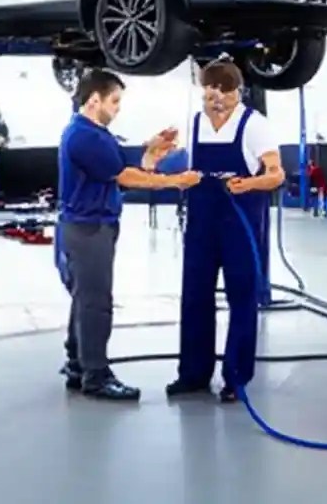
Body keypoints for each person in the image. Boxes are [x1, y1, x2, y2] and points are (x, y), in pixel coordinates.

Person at [57, 69, 202, 401]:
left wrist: (152, 150)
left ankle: (77, 363)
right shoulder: (85, 137)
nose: (118, 108)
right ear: (94, 100)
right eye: (114, 101)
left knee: (85, 297)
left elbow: (121, 161)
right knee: (96, 303)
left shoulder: (93, 133)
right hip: (89, 228)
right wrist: (176, 181)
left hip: (90, 224)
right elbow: (125, 176)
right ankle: (96, 375)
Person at [157, 60, 285, 402]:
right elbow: (184, 163)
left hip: (240, 221)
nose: (216, 102)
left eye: (223, 94)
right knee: (195, 294)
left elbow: (276, 174)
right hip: (202, 221)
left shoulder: (254, 125)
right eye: (210, 94)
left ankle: (236, 377)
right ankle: (193, 373)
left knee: (242, 295)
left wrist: (249, 184)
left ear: (236, 92)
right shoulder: (196, 123)